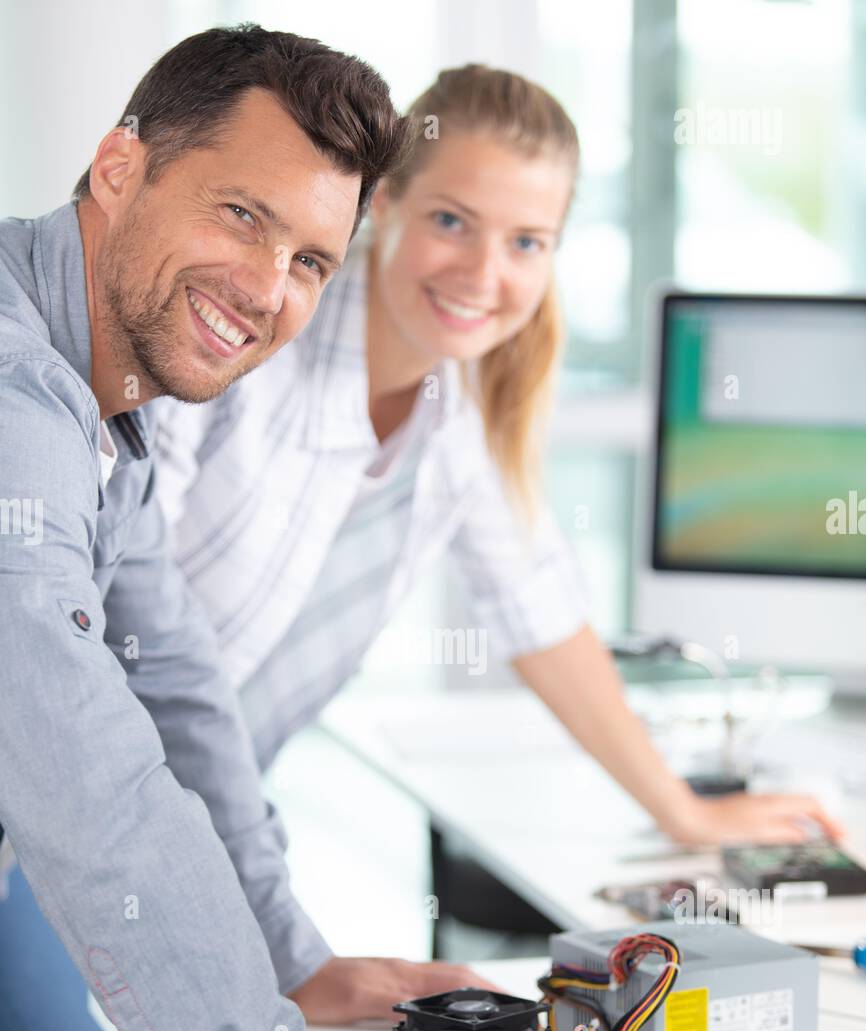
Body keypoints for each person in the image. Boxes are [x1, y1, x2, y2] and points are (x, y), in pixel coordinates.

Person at [2, 27, 609, 1031]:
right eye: (240, 212)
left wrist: (287, 949)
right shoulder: (15, 406)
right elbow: (91, 779)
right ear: (118, 166)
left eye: (309, 261)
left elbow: (175, 685)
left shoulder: (109, 414)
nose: (267, 286)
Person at [155, 59, 843, 952]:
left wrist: (687, 813)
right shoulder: (254, 333)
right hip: (83, 799)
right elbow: (120, 612)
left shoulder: (463, 409)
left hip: (184, 829)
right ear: (384, 203)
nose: (485, 271)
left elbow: (543, 619)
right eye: (452, 221)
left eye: (527, 241)